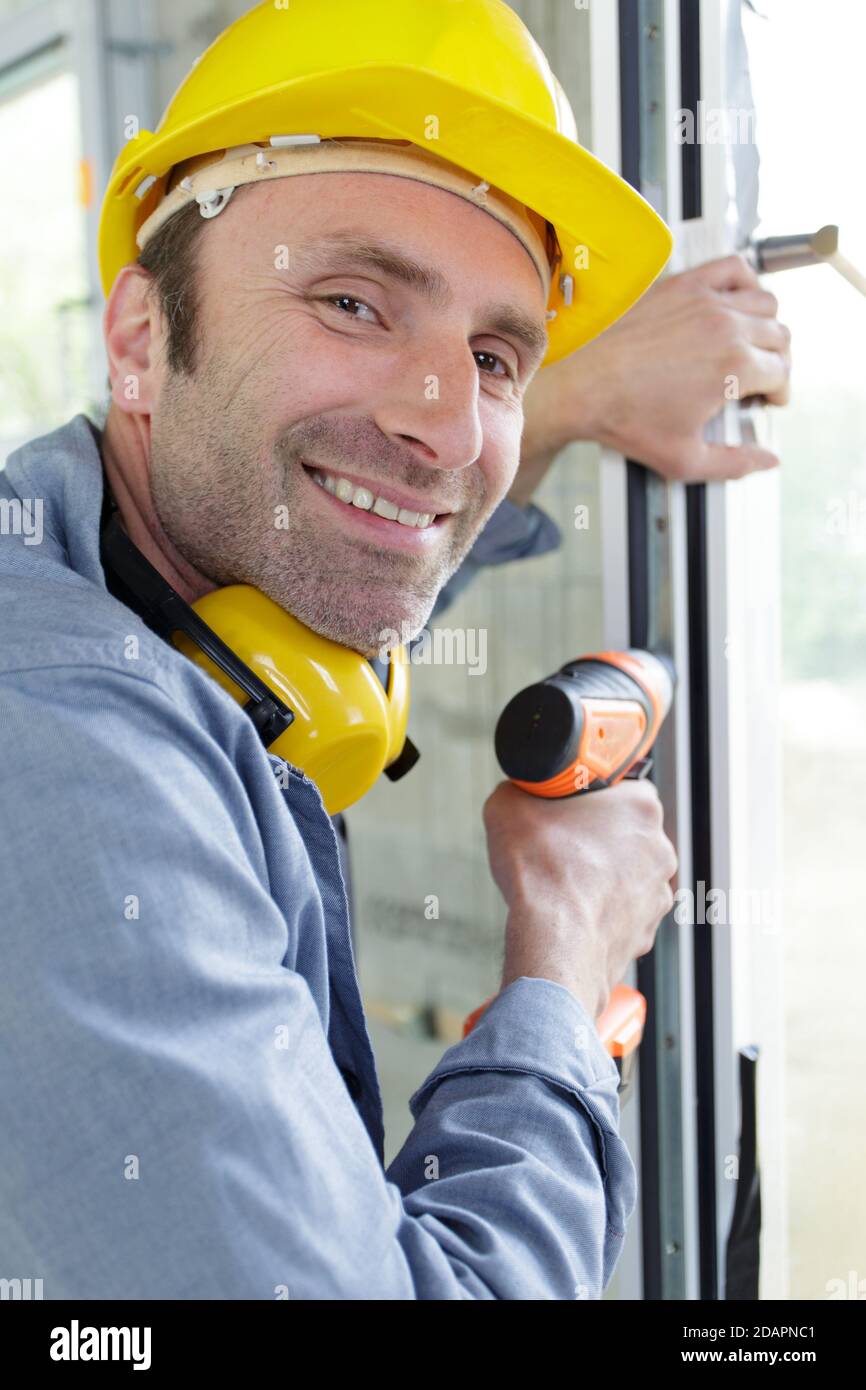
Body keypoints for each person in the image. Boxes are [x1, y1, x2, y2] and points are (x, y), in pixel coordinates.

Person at [0, 0, 787, 1301]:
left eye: (493, 354)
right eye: (354, 300)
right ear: (141, 339)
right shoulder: (62, 753)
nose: (443, 422)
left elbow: (314, 521)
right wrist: (564, 962)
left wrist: (561, 405)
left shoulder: (96, 574)